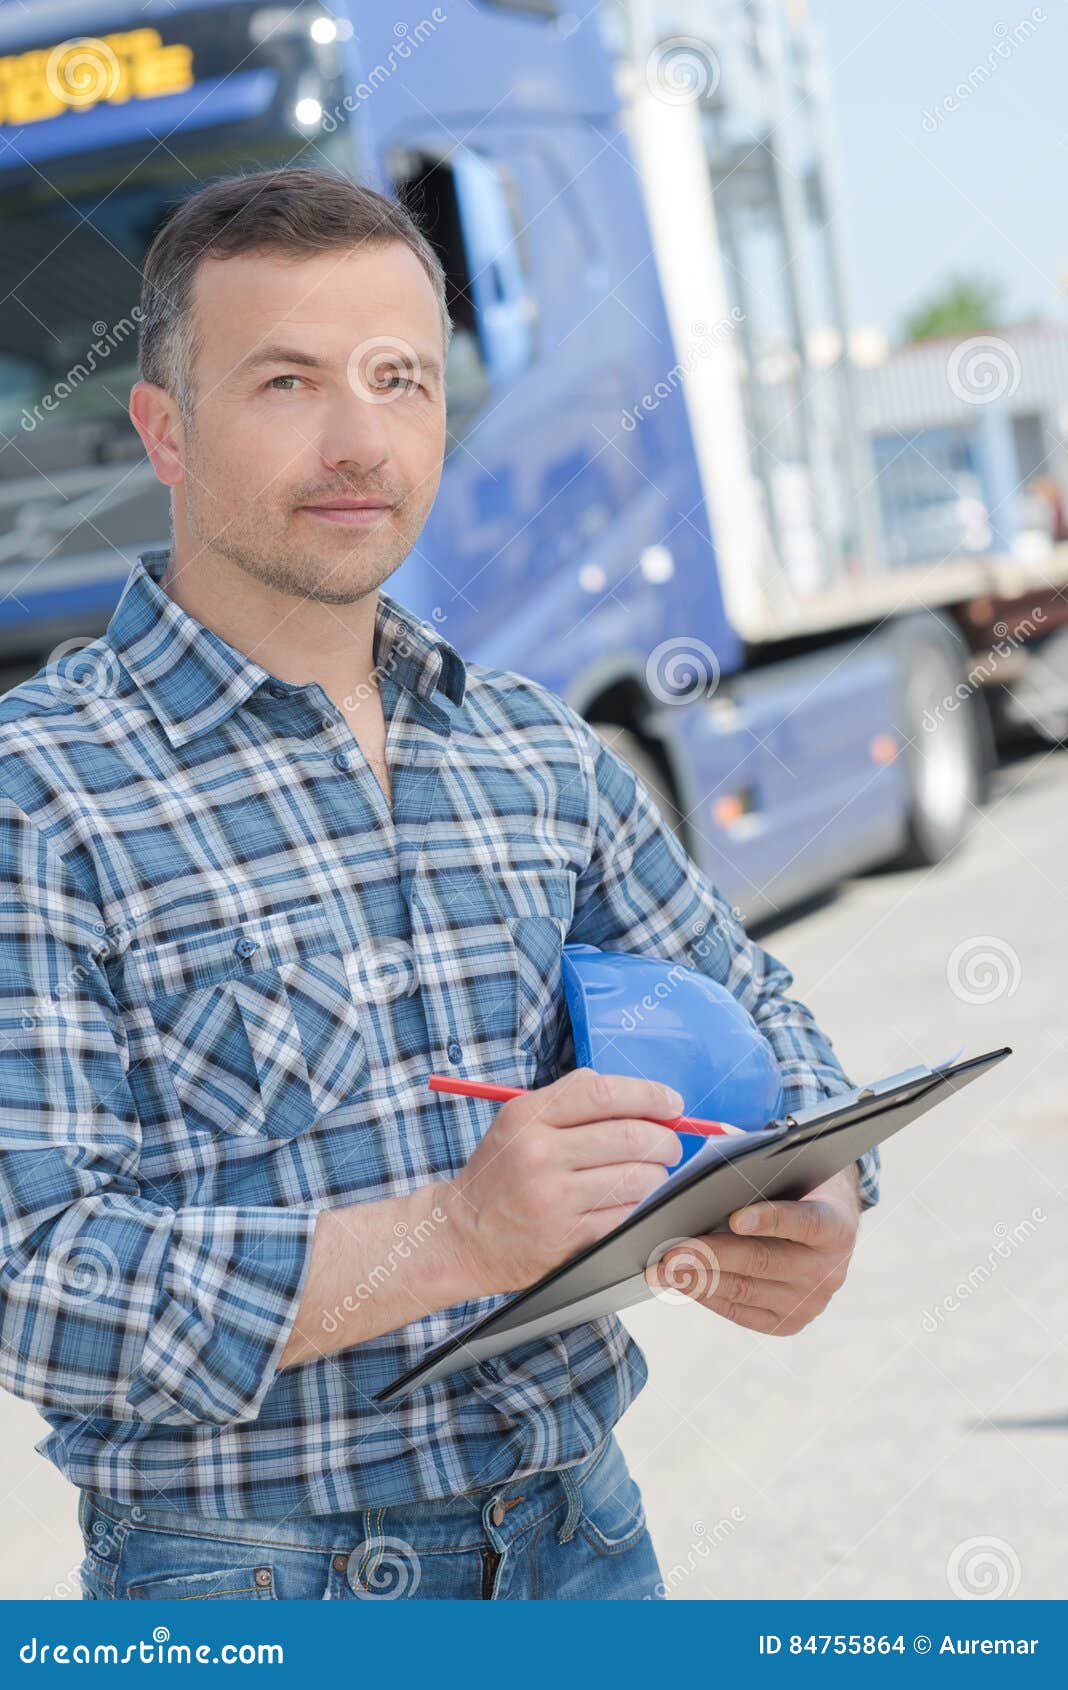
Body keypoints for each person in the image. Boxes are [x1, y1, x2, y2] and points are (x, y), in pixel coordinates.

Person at [0, 169, 878, 1602]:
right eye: (286, 382)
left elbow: (760, 1017)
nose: (359, 440)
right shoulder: (39, 792)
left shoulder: (535, 749)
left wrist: (814, 1190)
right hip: (254, 1588)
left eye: (398, 378)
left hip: (587, 1543)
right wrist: (449, 1238)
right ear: (164, 429)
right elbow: (38, 1281)